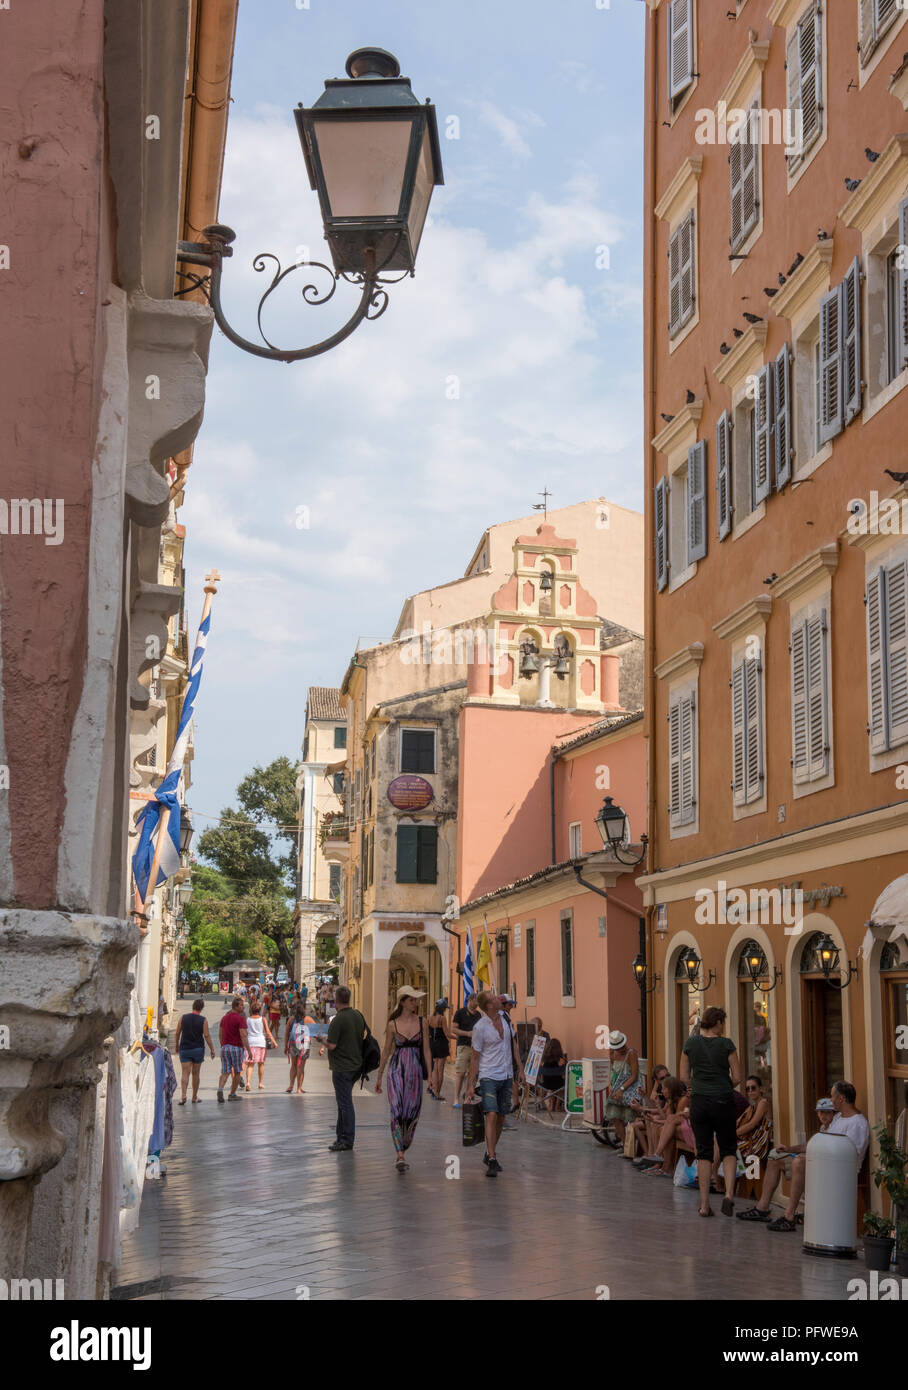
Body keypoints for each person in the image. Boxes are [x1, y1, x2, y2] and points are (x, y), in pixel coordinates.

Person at [737, 1081, 870, 1231]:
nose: (831, 1100)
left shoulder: (857, 1123)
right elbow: (815, 1143)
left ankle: (789, 1215)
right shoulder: (838, 1118)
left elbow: (850, 1155)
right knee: (775, 1156)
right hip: (820, 1161)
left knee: (799, 1162)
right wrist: (788, 1149)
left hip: (837, 1170)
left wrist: (816, 1154)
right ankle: (762, 1208)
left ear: (841, 1099)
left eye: (832, 1097)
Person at [679, 1005, 741, 1216]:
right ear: (717, 1023)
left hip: (699, 1102)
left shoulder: (690, 1044)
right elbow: (738, 1076)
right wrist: (723, 1087)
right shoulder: (726, 1044)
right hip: (723, 1101)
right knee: (728, 1149)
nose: (723, 1026)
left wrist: (697, 1087)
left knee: (704, 1153)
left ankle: (705, 1205)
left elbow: (684, 1076)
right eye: (722, 1022)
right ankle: (728, 1195)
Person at [465, 990, 526, 1176]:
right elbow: (475, 1058)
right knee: (491, 1114)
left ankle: (488, 1151)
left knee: (500, 1117)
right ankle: (492, 1158)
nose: (498, 999)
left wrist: (520, 1069)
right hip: (488, 1075)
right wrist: (470, 1085)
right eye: (494, 998)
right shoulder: (480, 1027)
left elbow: (513, 1045)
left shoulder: (506, 1019)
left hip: (506, 1075)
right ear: (489, 1005)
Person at [375, 986, 433, 1173]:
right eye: (411, 1000)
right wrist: (379, 1076)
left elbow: (426, 1050)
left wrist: (431, 1076)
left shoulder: (423, 1022)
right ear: (402, 1002)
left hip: (415, 1071)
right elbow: (386, 1051)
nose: (415, 1003)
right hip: (396, 1070)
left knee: (412, 1112)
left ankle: (404, 1144)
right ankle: (400, 1154)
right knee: (397, 1111)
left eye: (416, 1000)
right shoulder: (393, 1024)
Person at [320, 985, 366, 1151]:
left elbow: (332, 1045)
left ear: (336, 999)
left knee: (345, 1104)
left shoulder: (338, 1019)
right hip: (355, 1065)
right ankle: (341, 1137)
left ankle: (346, 1139)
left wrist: (321, 1040)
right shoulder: (357, 1016)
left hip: (342, 1067)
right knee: (342, 1102)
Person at [604, 1030, 644, 1146]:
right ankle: (625, 1145)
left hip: (629, 1087)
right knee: (615, 1117)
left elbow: (634, 1075)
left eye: (621, 1046)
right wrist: (610, 1085)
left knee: (630, 1117)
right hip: (617, 1087)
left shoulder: (631, 1053)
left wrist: (622, 1089)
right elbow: (612, 1071)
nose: (620, 1049)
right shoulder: (612, 1053)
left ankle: (631, 1148)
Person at [174, 998, 215, 1104]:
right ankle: (194, 1097)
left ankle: (183, 1095)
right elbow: (206, 1035)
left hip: (185, 1048)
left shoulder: (183, 1018)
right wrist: (212, 1049)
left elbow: (177, 1032)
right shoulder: (203, 1020)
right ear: (202, 1008)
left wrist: (176, 1045)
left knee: (185, 1073)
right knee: (196, 1074)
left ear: (193, 1006)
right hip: (198, 1049)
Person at [629, 1063, 670, 1156]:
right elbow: (655, 1107)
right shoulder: (661, 1088)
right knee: (646, 1119)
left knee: (651, 1121)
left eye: (667, 1076)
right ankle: (649, 1154)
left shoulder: (670, 1086)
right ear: (656, 1080)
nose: (666, 1079)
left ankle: (652, 1155)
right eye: (662, 1078)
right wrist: (644, 1096)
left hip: (669, 1117)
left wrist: (641, 1109)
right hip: (665, 1116)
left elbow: (663, 1111)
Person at [451, 993, 482, 1109]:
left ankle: (468, 1098)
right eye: (476, 1001)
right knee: (460, 1073)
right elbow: (453, 1029)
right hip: (463, 1046)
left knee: (472, 1074)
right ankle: (456, 1099)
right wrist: (467, 1033)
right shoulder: (460, 1013)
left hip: (476, 1048)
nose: (478, 1004)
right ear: (470, 1000)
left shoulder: (479, 1015)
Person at [217, 996, 249, 1103]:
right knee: (237, 1072)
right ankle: (232, 1094)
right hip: (236, 1048)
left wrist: (223, 1045)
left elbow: (220, 1033)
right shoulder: (240, 1019)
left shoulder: (224, 1018)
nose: (243, 1007)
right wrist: (248, 1050)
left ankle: (220, 1089)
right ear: (236, 1006)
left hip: (225, 1048)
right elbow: (243, 1035)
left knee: (225, 1071)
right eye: (241, 1005)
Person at [243, 1002, 276, 1092]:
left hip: (250, 1043)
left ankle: (248, 1083)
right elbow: (268, 1032)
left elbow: (245, 1032)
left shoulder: (248, 1020)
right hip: (260, 1043)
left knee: (250, 1064)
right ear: (259, 1010)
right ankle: (260, 1083)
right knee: (261, 1063)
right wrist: (274, 1042)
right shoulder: (263, 1019)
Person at [426, 999, 452, 1102]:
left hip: (432, 1044)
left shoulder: (429, 1018)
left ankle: (433, 1089)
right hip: (442, 1044)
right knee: (440, 1070)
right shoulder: (442, 1018)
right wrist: (457, 1037)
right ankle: (437, 1093)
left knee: (434, 1069)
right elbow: (447, 1033)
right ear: (443, 1008)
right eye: (445, 1008)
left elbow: (427, 1033)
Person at [285, 1003, 311, 1094]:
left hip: (293, 1044)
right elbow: (317, 1030)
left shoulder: (291, 1019)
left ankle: (291, 1085)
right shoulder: (307, 1019)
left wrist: (285, 1046)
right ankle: (299, 1088)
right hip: (304, 1045)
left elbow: (287, 1033)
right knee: (301, 1067)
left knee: (293, 1065)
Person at [538, 1036, 567, 1113]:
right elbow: (564, 1075)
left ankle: (548, 1104)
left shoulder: (543, 1060)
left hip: (546, 1085)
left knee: (550, 1087)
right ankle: (557, 1106)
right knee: (561, 1087)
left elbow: (541, 1073)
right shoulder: (561, 1060)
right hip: (558, 1085)